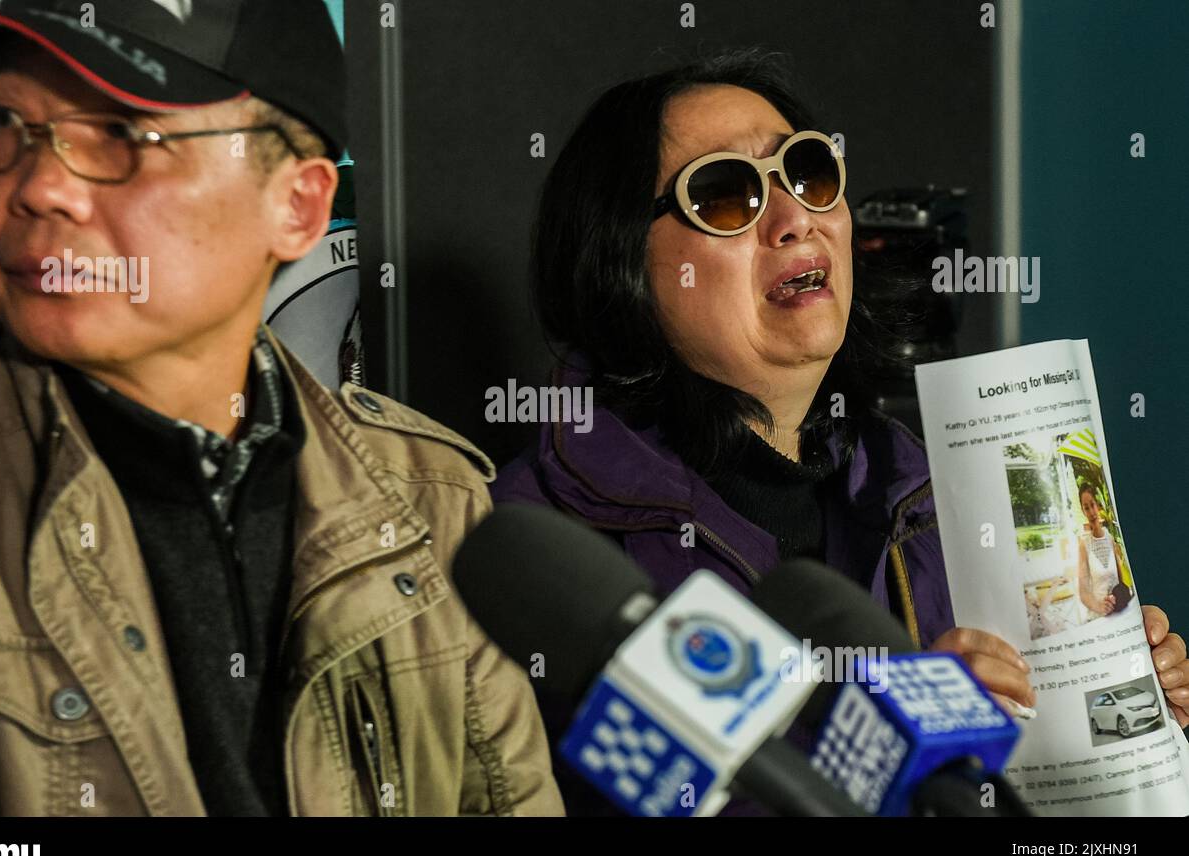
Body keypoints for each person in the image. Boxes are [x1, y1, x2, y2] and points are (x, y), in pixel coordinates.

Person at [0, 0, 561, 816]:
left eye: (120, 134)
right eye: (6, 123)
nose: (39, 187)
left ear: (300, 207)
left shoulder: (432, 497)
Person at [490, 48, 1189, 808]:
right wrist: (869, 743)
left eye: (809, 173)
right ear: (619, 258)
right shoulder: (538, 543)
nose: (795, 219)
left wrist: (1128, 731)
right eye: (727, 195)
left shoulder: (929, 497)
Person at [1076, 483, 1131, 618]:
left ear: (1098, 505)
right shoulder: (1084, 545)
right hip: (1100, 615)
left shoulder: (1110, 539)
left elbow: (1121, 581)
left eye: (1092, 505)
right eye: (1086, 508)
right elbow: (1083, 592)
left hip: (1120, 611)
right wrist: (1099, 606)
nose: (1091, 512)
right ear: (1083, 511)